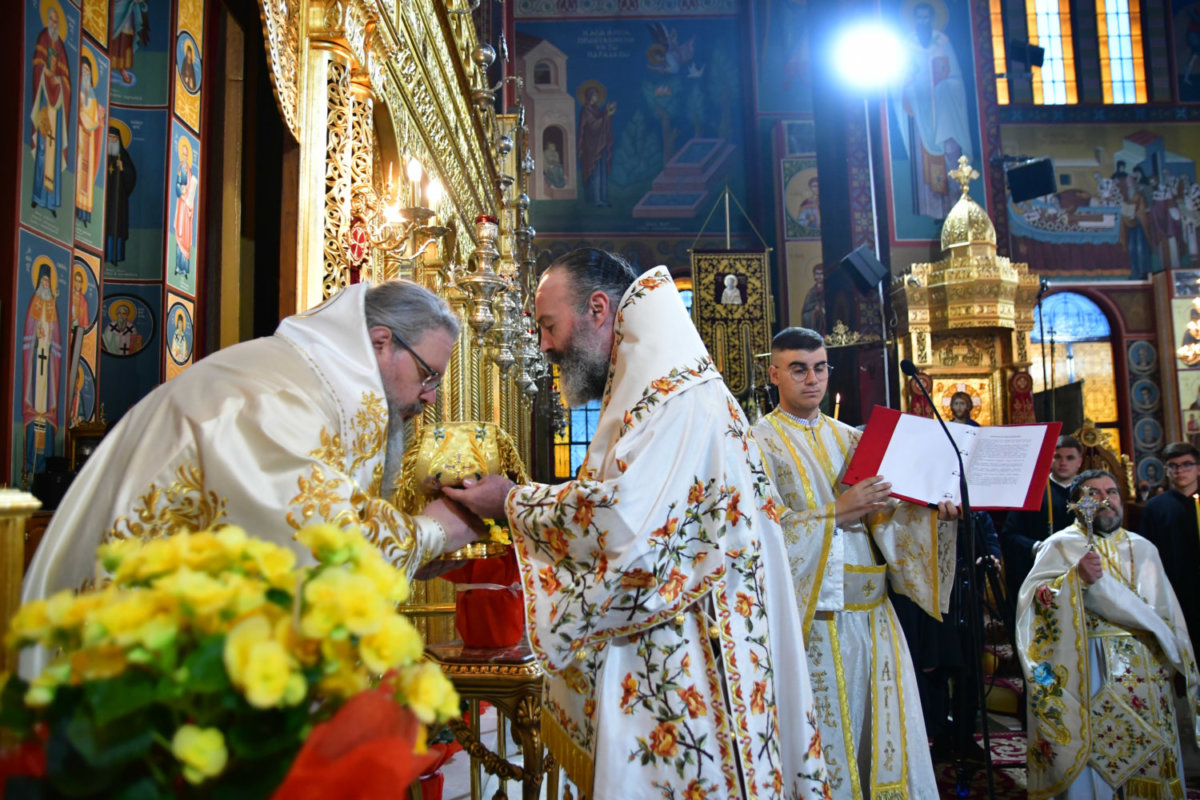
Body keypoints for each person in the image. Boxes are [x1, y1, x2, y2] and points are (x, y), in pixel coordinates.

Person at [444, 250, 829, 798]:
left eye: (549, 326)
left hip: (696, 672)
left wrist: (512, 501)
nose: (546, 345)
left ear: (599, 308)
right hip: (686, 650)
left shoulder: (674, 399)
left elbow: (632, 534)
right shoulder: (658, 388)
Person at [23, 280, 484, 671]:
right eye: (428, 375)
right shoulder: (281, 397)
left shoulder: (301, 380)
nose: (429, 398)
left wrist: (415, 554)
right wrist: (432, 531)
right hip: (128, 642)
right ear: (382, 342)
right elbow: (317, 547)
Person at [750, 326, 959, 799]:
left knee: (883, 739)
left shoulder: (853, 439)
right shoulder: (754, 442)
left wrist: (936, 516)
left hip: (875, 618)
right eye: (799, 369)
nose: (812, 379)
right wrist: (834, 514)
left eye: (820, 368)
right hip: (813, 620)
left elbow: (890, 521)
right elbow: (755, 533)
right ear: (775, 374)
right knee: (828, 743)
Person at [1017, 469, 1200, 799]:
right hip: (1087, 669)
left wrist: (1177, 662)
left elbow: (1168, 617)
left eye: (1112, 492)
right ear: (1075, 505)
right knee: (1093, 764)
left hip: (1147, 676)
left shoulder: (1144, 549)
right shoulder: (1059, 546)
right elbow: (1033, 606)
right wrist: (1075, 581)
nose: (1105, 499)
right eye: (1094, 493)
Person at [893, 1, 972, 219]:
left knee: (950, 152)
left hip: (944, 108)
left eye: (926, 18)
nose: (923, 22)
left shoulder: (943, 42)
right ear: (914, 20)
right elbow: (899, 81)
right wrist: (909, 82)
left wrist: (943, 83)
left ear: (932, 19)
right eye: (919, 18)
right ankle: (933, 210)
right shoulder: (907, 45)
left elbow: (955, 77)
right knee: (924, 158)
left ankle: (956, 206)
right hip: (920, 111)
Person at [999, 434, 1084, 628]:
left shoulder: (1087, 492)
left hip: (1079, 573)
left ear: (1079, 461)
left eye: (1070, 458)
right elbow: (1010, 535)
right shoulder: (1033, 490)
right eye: (1057, 457)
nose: (1063, 463)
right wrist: (1037, 547)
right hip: (1040, 572)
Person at [1141, 442, 1200, 642]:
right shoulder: (1156, 507)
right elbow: (1147, 552)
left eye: (1187, 464)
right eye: (1173, 466)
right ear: (1166, 470)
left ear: (1198, 468)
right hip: (1174, 588)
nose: (1180, 470)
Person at [30, 2, 71, 217]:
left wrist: (60, 81)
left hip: (57, 105)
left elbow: (66, 80)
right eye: (52, 20)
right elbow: (37, 66)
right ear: (47, 20)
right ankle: (38, 196)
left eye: (57, 21)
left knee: (53, 155)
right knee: (44, 148)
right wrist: (46, 74)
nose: (54, 24)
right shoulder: (43, 39)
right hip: (46, 99)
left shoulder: (61, 47)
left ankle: (52, 202)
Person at [23, 262, 62, 482]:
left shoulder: (53, 305)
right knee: (36, 396)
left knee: (46, 397)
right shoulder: (34, 303)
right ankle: (30, 463)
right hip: (37, 354)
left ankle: (42, 464)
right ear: (39, 282)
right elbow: (30, 329)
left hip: (48, 359)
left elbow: (56, 337)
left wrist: (48, 337)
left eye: (48, 281)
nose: (46, 284)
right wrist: (38, 337)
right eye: (44, 281)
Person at [75, 52, 104, 227]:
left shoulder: (93, 96)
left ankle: (85, 214)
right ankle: (77, 208)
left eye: (88, 70)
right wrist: (93, 121)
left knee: (87, 177)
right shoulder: (79, 92)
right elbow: (80, 114)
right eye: (83, 70)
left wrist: (100, 119)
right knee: (79, 174)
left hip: (89, 141)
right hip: (80, 137)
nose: (85, 73)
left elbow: (95, 119)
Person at [577, 85, 615, 208]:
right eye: (595, 95)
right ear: (589, 96)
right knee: (594, 174)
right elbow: (593, 125)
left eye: (597, 95)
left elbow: (601, 119)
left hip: (599, 146)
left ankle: (602, 198)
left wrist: (606, 113)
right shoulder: (586, 110)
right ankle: (595, 199)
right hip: (590, 148)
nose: (597, 97)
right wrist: (606, 116)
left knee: (601, 173)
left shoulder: (596, 110)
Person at [105, 125, 137, 265]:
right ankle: (105, 254)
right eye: (110, 138)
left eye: (115, 138)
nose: (112, 140)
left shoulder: (123, 156)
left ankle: (116, 257)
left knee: (117, 227)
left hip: (119, 202)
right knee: (106, 226)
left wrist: (123, 168)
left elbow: (132, 177)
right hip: (105, 200)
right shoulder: (102, 155)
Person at [110, 0, 150, 85]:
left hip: (129, 16)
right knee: (116, 40)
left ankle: (122, 68)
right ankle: (111, 63)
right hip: (119, 13)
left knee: (126, 42)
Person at [174, 138, 197, 276]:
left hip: (188, 208)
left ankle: (185, 268)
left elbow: (192, 189)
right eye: (183, 154)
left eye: (186, 155)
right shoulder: (180, 170)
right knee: (180, 234)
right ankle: (178, 267)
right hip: (182, 206)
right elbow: (178, 185)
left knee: (187, 238)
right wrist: (181, 190)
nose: (185, 157)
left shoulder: (189, 172)